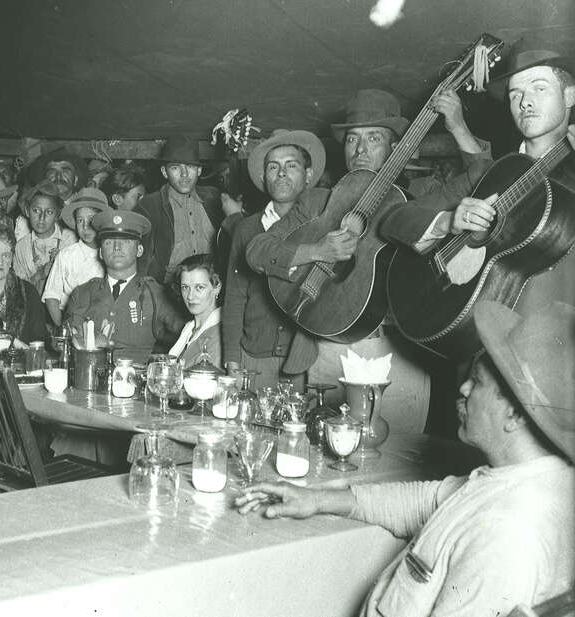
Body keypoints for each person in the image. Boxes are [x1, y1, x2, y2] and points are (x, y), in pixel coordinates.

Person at [235, 299, 575, 617]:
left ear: (514, 413)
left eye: (477, 382)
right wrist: (316, 499)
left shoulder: (506, 538)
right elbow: (425, 501)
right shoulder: (535, 479)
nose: (463, 389)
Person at [246, 89, 484, 433]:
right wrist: (316, 251)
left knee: (396, 457)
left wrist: (459, 127)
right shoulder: (316, 202)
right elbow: (257, 249)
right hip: (327, 348)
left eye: (374, 138)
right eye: (352, 139)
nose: (360, 150)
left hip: (397, 351)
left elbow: (482, 175)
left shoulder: (417, 198)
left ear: (395, 147)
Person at [380, 38, 575, 317]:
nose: (525, 102)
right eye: (515, 94)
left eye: (539, 88)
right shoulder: (488, 175)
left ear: (569, 96)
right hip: (477, 328)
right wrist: (447, 222)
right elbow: (393, 219)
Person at [223, 130, 327, 388]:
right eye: (273, 167)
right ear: (263, 177)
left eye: (291, 165)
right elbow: (235, 297)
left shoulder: (323, 225)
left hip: (308, 357)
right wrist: (232, 359)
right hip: (255, 355)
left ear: (308, 175)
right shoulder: (247, 229)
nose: (281, 173)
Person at [64, 210, 184, 363]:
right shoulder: (83, 293)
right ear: (100, 252)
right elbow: (64, 341)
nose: (116, 247)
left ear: (139, 250)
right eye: (109, 242)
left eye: (126, 241)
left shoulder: (156, 294)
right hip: (89, 377)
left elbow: (187, 335)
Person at [136, 135, 224, 283]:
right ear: (164, 172)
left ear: (199, 170)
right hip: (168, 290)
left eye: (190, 167)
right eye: (176, 167)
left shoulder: (214, 199)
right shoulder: (150, 206)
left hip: (211, 287)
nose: (184, 174)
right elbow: (142, 260)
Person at [41, 188, 109, 325]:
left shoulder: (110, 254)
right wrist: (64, 328)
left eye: (91, 220)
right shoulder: (67, 255)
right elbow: (51, 296)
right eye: (80, 221)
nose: (85, 227)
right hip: (72, 321)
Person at [13, 180, 76, 294]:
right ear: (27, 211)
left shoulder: (69, 240)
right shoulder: (21, 247)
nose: (41, 218)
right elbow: (19, 290)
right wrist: (39, 274)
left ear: (57, 214)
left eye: (49, 212)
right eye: (36, 210)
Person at [169, 254, 222, 368]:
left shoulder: (219, 333)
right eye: (185, 287)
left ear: (217, 287)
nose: (190, 296)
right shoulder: (189, 329)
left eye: (199, 287)